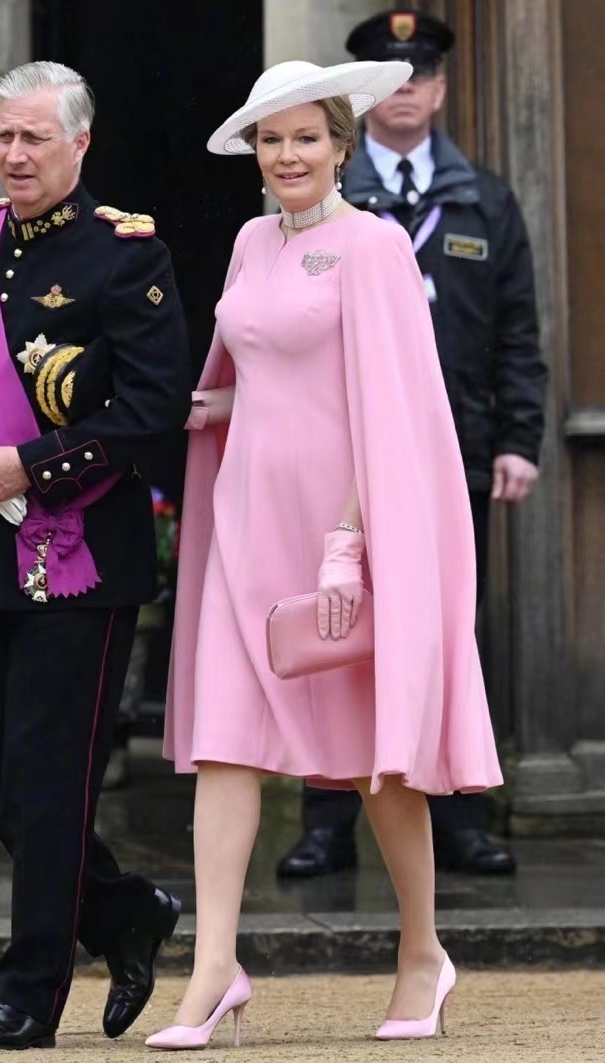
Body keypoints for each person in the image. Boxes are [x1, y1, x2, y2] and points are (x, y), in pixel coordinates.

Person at [148, 57, 503, 1050]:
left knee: (373, 764)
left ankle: (422, 952)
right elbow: (251, 370)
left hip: (339, 534)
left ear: (340, 147)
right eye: (271, 139)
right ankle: (212, 966)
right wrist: (197, 408)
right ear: (253, 155)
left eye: (306, 136)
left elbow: (384, 407)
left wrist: (349, 544)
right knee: (223, 744)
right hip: (245, 522)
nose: (287, 154)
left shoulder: (374, 247)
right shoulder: (248, 241)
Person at [0, 61, 191, 1052]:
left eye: (34, 139)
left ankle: (27, 993)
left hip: (80, 555)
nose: (15, 155)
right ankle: (119, 911)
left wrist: (34, 462)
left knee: (49, 778)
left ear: (79, 144)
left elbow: (150, 413)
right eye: (4, 138)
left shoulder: (125, 256)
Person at [278, 10, 547, 882]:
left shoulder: (484, 198)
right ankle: (325, 823)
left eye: (420, 77)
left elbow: (516, 331)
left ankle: (460, 818)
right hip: (341, 454)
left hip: (450, 453)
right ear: (364, 102)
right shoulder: (322, 206)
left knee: (441, 631)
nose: (408, 92)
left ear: (437, 89)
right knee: (335, 629)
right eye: (388, 79)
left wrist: (517, 438)